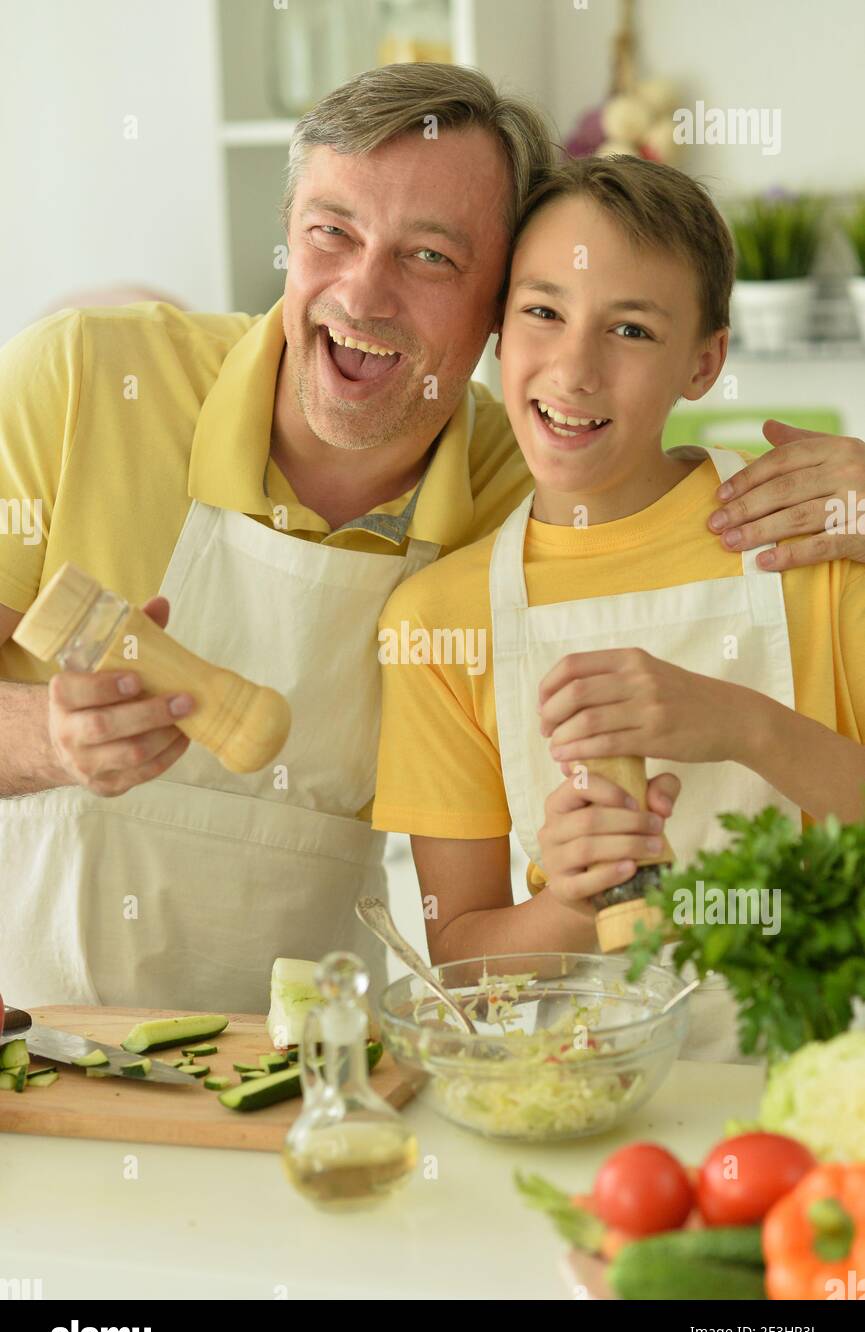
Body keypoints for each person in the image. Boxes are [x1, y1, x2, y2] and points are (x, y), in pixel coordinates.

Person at [0, 67, 863, 1017]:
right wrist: (49, 738)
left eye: (430, 257)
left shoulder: (537, 476)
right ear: (287, 233)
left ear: (489, 306)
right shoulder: (82, 376)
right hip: (27, 1035)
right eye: (333, 231)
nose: (364, 295)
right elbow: (473, 954)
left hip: (302, 1060)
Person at [371, 154, 865, 1062]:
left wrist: (744, 726)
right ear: (496, 329)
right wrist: (567, 900)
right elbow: (461, 963)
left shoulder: (814, 550)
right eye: (543, 312)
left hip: (820, 1095)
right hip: (581, 1106)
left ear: (703, 362)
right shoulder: (436, 618)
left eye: (631, 330)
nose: (574, 369)